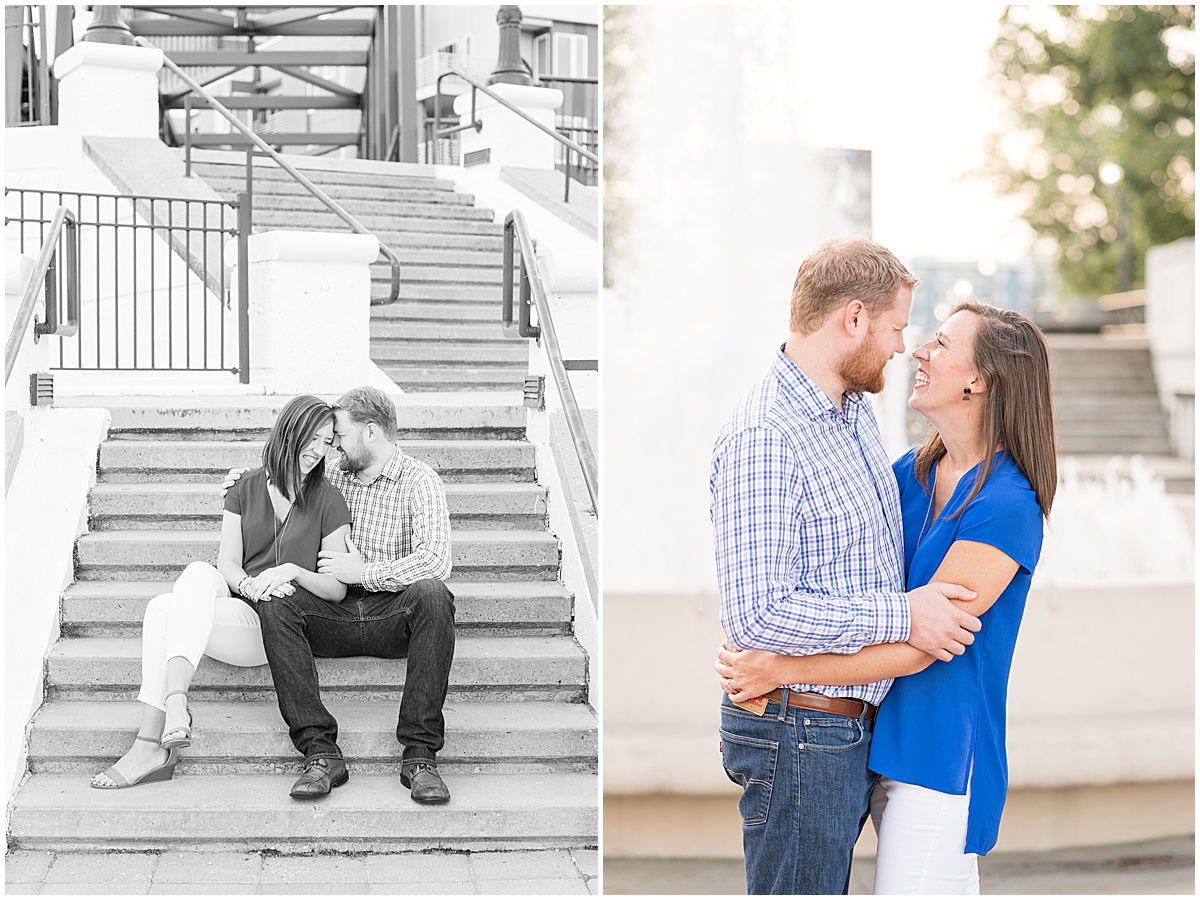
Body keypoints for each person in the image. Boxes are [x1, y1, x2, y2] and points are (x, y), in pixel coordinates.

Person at [717, 300, 1056, 893]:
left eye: (943, 344)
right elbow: (847, 582)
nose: (918, 350)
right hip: (873, 741)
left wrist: (782, 668)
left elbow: (924, 644)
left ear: (980, 379)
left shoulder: (1005, 505)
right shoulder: (911, 474)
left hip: (939, 756)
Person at [91, 395, 351, 789]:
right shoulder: (245, 487)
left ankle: (152, 739)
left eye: (327, 441)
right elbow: (227, 562)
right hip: (239, 606)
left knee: (165, 609)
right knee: (186, 583)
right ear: (288, 432)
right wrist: (247, 584)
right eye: (311, 438)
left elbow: (335, 589)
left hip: (278, 627)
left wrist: (294, 573)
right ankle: (174, 702)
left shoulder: (329, 499)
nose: (319, 450)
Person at [226, 385, 456, 804]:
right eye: (329, 443)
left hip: (394, 613)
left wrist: (364, 572)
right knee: (276, 599)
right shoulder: (333, 476)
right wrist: (242, 482)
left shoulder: (420, 481)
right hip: (332, 612)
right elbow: (287, 468)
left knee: (434, 593)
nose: (332, 450)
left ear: (371, 433)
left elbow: (436, 561)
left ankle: (420, 757)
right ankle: (320, 752)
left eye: (340, 439)